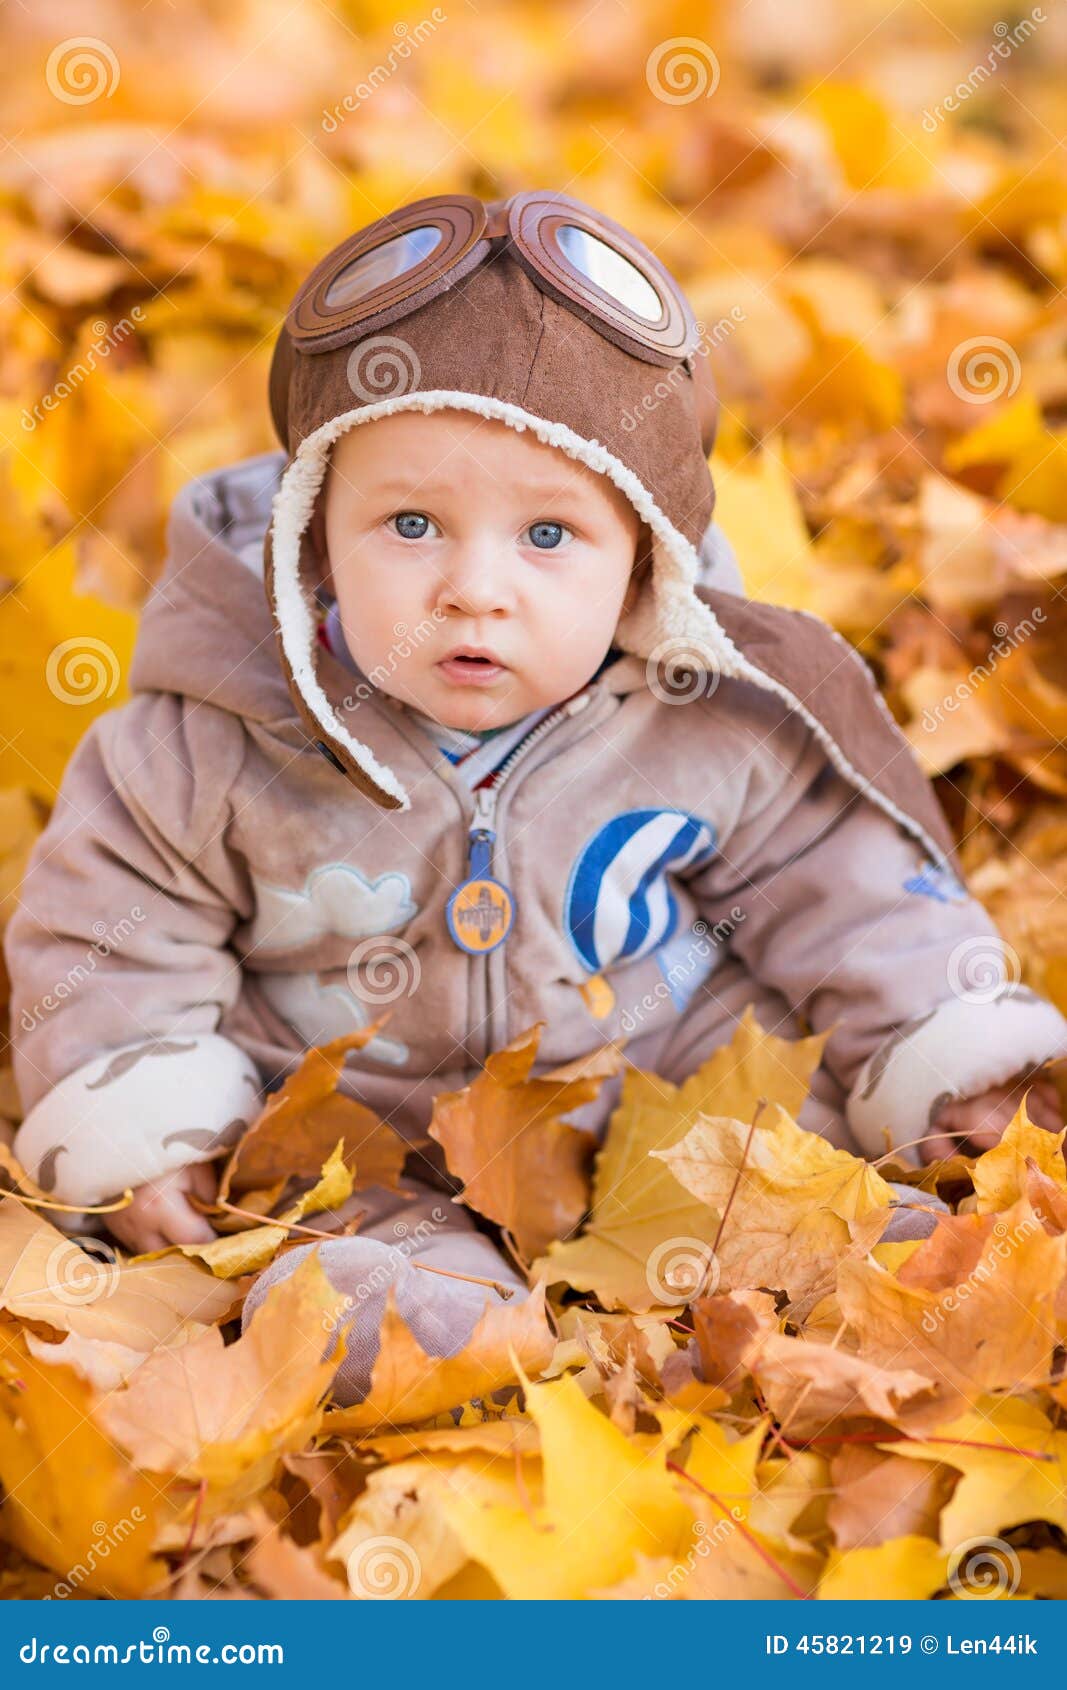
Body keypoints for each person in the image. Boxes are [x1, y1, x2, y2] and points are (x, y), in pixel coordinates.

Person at [6, 191, 1065, 1404]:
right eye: (410, 523)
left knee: (803, 1166)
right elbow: (109, 923)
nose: (474, 588)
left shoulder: (696, 713)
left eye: (549, 535)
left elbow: (839, 878)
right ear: (314, 536)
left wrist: (944, 1038)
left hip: (649, 1077)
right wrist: (149, 1117)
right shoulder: (208, 744)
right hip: (356, 1125)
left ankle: (846, 1256)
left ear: (639, 564)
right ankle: (427, 1322)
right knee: (347, 1262)